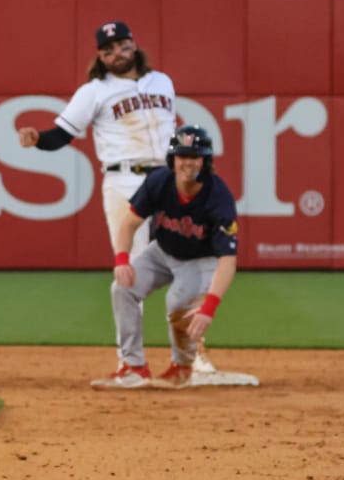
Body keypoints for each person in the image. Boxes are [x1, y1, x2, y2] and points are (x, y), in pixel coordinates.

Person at [15, 22, 226, 374]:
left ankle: (191, 357)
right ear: (100, 55)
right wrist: (37, 138)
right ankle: (131, 363)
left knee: (192, 265)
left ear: (133, 45)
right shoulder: (94, 91)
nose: (117, 53)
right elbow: (62, 135)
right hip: (124, 180)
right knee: (131, 272)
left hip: (169, 179)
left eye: (122, 45)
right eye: (108, 49)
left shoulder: (163, 82)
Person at [96, 125, 239, 390]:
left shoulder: (218, 196)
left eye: (194, 156)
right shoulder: (159, 181)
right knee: (122, 288)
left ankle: (183, 366)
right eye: (182, 155)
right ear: (172, 159)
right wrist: (122, 259)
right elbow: (128, 223)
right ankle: (134, 367)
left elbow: (228, 260)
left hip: (200, 259)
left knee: (178, 303)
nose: (187, 162)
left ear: (205, 161)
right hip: (162, 251)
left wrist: (209, 307)